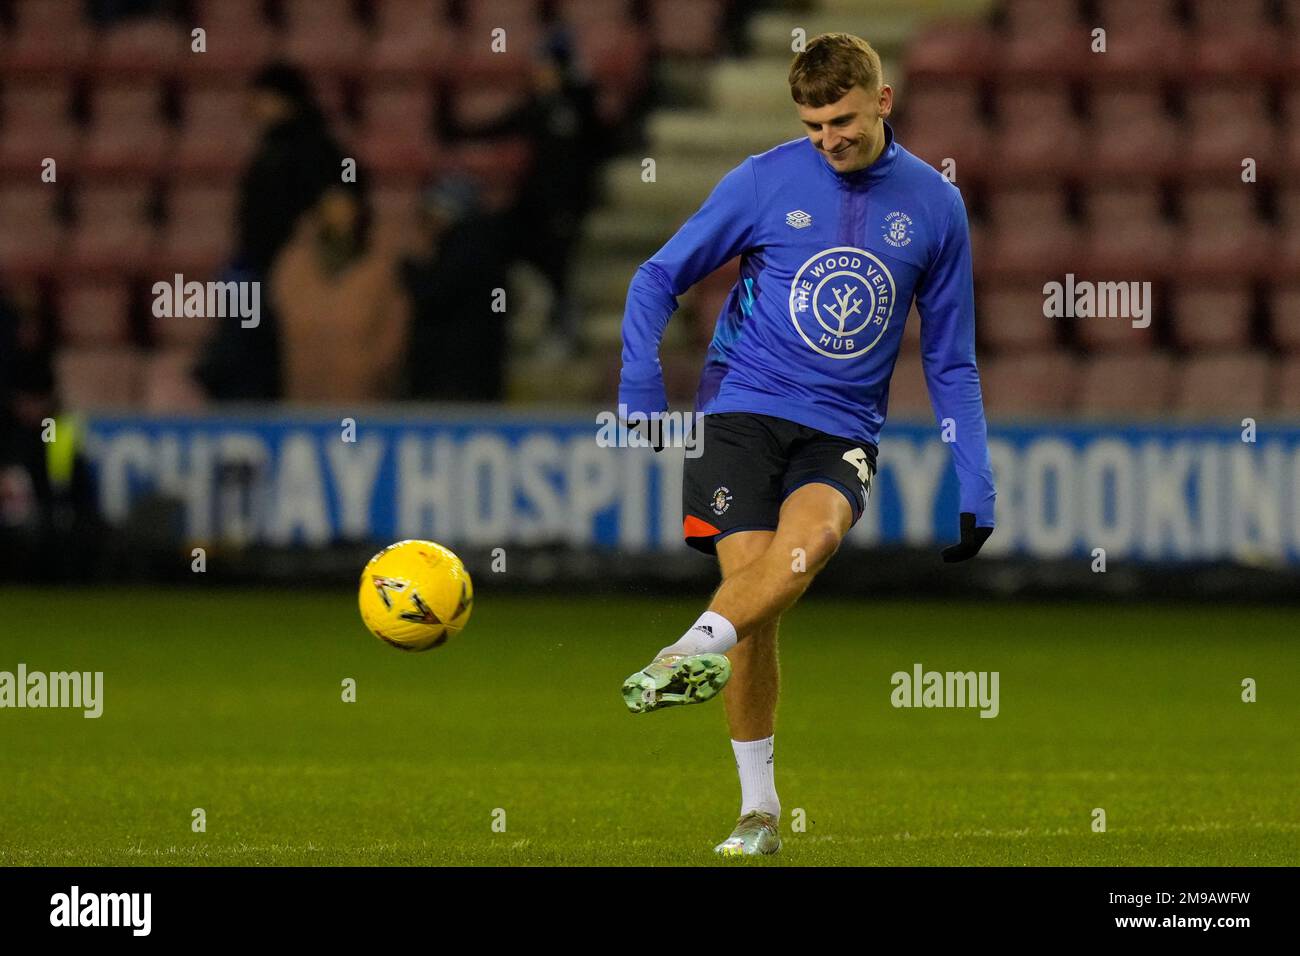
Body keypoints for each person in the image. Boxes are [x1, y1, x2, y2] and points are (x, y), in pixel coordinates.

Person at [616, 34, 997, 856]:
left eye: (844, 120)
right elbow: (658, 276)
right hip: (741, 408)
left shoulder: (935, 205)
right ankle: (758, 811)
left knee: (812, 542)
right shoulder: (762, 180)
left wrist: (977, 481)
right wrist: (640, 387)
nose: (831, 139)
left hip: (842, 426)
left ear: (883, 101)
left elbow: (950, 357)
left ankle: (686, 651)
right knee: (757, 597)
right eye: (816, 124)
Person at [443, 26, 604, 351]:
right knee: (496, 243)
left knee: (559, 270)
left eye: (544, 66)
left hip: (564, 210)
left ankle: (563, 334)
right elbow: (497, 127)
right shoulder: (537, 107)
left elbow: (600, 141)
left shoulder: (580, 107)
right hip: (533, 207)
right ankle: (510, 321)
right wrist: (453, 128)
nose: (537, 73)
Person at [195, 62, 345, 401]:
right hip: (256, 267)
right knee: (240, 338)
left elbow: (334, 210)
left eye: (262, 97)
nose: (254, 107)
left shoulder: (313, 149)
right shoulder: (275, 147)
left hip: (282, 273)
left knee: (254, 350)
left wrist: (300, 263)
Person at [271, 182, 409, 403]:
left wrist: (373, 367)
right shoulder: (295, 263)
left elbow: (393, 328)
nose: (339, 217)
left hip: (362, 392)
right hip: (302, 386)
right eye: (331, 209)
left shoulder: (380, 267)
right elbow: (279, 312)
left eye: (345, 209)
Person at [400, 176, 512, 401]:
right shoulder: (486, 247)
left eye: (431, 213)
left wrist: (409, 270)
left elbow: (433, 293)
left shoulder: (466, 249)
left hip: (454, 381)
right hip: (474, 377)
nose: (427, 221)